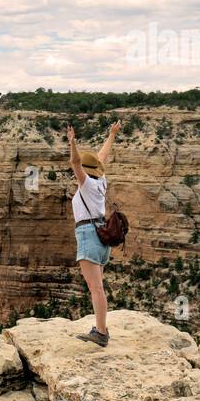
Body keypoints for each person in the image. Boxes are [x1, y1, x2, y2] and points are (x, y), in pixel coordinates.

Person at [66, 120, 121, 346]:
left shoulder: (86, 184)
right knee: (98, 286)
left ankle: (100, 332)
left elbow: (76, 161)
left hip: (89, 234)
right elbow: (102, 156)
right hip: (100, 234)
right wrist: (112, 134)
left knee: (95, 288)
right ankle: (101, 328)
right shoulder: (101, 181)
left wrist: (72, 143)